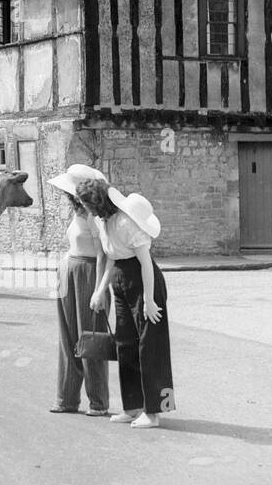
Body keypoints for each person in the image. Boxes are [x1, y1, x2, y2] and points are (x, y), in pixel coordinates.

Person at [77, 178, 175, 429]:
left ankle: (153, 412)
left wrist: (150, 300)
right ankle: (133, 407)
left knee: (149, 346)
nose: (85, 208)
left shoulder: (124, 222)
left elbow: (145, 263)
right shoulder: (103, 222)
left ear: (97, 202)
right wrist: (100, 291)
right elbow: (111, 259)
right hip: (120, 282)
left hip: (144, 282)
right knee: (125, 344)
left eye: (86, 203)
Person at [46, 164, 110, 416]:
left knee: (91, 337)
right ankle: (67, 398)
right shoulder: (77, 213)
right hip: (69, 272)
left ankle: (98, 402)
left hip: (89, 273)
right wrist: (62, 270)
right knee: (67, 337)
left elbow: (103, 253)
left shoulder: (95, 216)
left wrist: (99, 290)